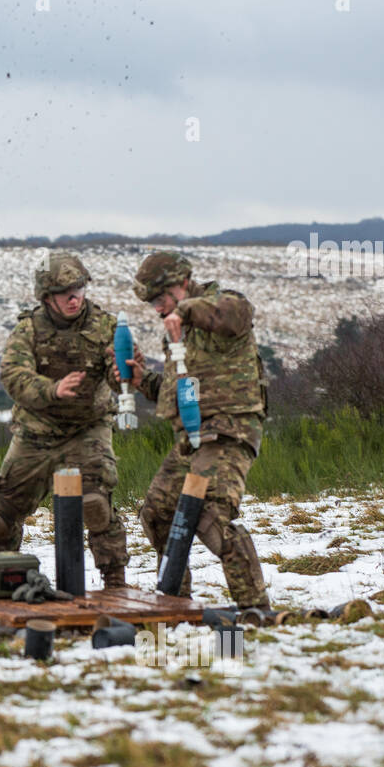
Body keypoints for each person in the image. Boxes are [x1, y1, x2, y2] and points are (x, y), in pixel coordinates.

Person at [115, 251, 270, 609]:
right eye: (152, 302)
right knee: (158, 513)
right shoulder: (177, 330)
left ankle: (256, 609)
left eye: (160, 299)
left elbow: (237, 315)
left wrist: (183, 312)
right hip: (192, 438)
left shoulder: (222, 306)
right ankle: (174, 602)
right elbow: (178, 392)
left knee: (209, 514)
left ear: (181, 284)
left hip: (229, 431)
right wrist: (142, 381)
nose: (156, 309)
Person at [0, 251, 130, 588]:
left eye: (78, 289)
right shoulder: (29, 329)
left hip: (88, 428)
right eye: (65, 293)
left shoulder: (107, 327)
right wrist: (51, 389)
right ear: (47, 297)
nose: (74, 298)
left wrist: (124, 372)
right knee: (4, 513)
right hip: (37, 431)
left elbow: (121, 376)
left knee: (95, 504)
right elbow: (13, 374)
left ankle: (115, 582)